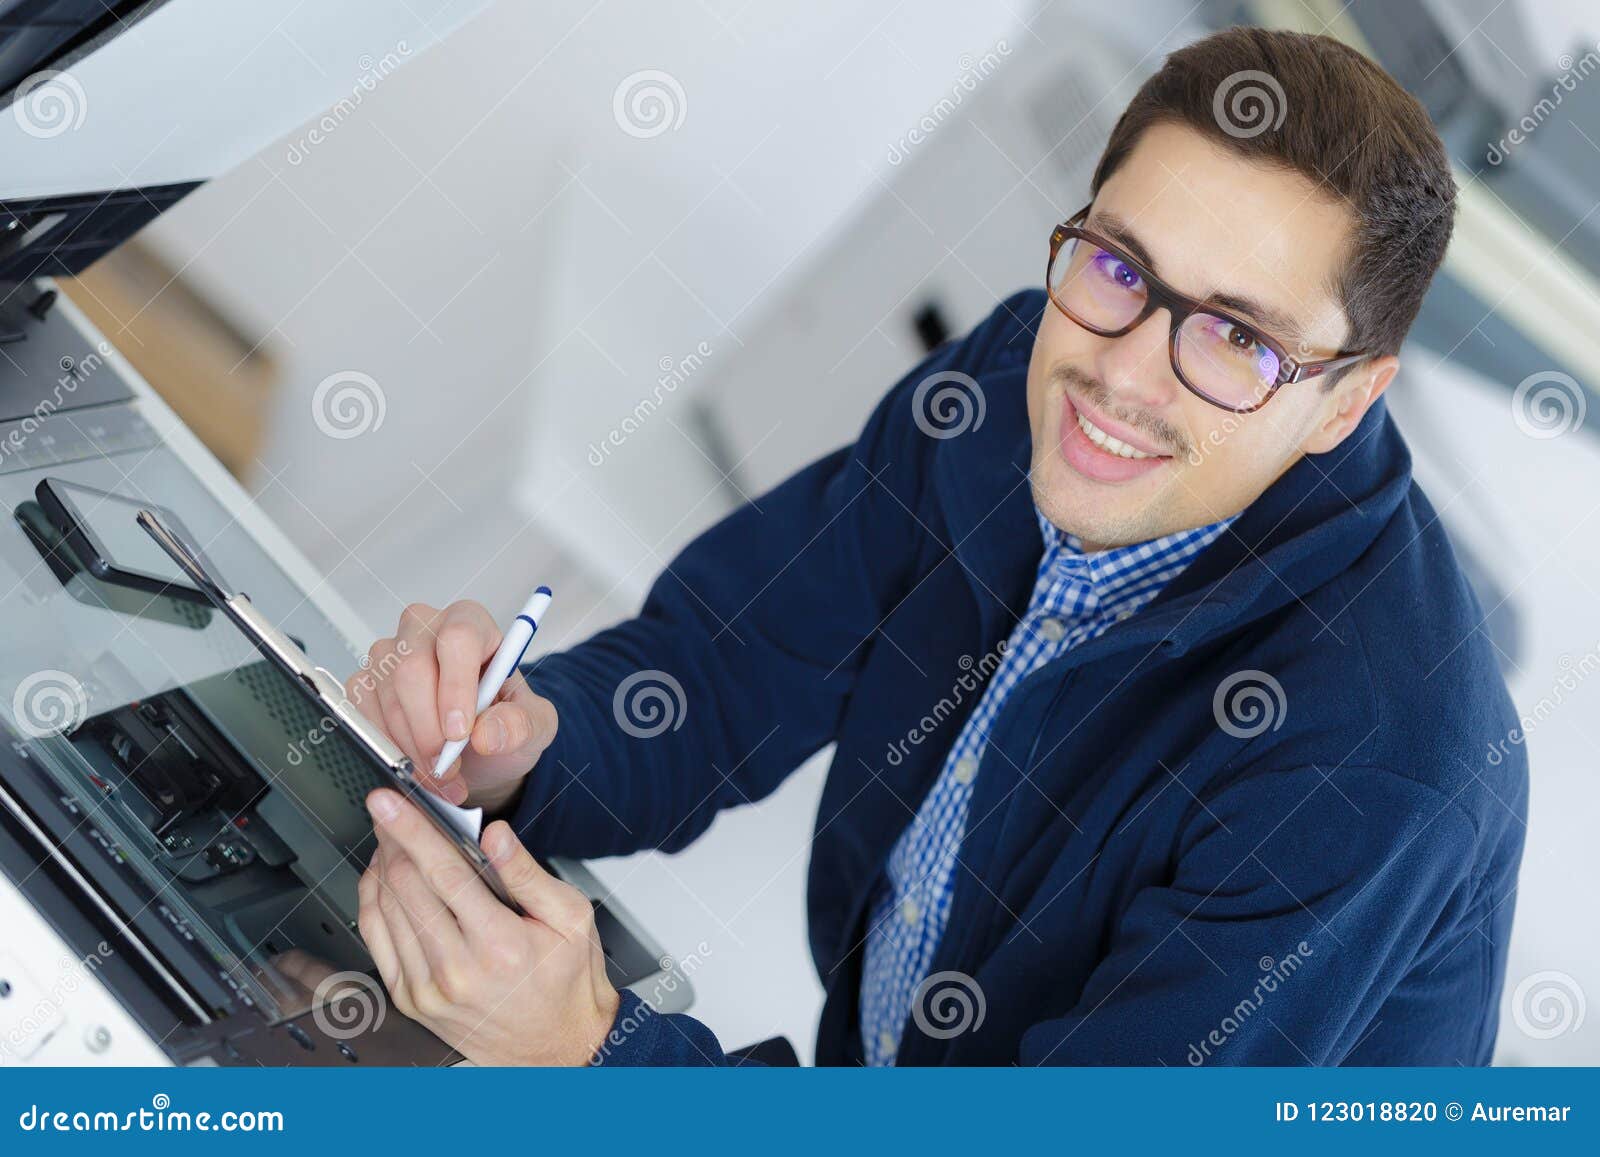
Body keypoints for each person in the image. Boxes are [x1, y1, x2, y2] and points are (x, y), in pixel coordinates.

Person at [347, 26, 1526, 1066]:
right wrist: (527, 746)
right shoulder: (1015, 377)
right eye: (1117, 265)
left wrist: (591, 1057)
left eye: (1233, 336)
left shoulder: (1375, 768)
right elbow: (717, 673)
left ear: (1345, 402)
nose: (1118, 372)